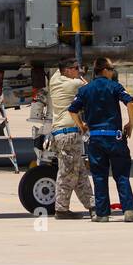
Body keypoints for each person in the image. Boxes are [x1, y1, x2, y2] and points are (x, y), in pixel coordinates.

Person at [68, 57, 133, 222]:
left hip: (95, 140)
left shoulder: (85, 90)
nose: (112, 72)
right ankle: (129, 211)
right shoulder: (114, 86)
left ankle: (102, 214)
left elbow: (72, 109)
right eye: (111, 69)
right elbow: (130, 102)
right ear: (104, 70)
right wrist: (130, 123)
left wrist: (81, 125)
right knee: (121, 175)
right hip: (114, 138)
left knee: (99, 176)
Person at [47, 59, 94, 219]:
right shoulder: (74, 85)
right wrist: (81, 76)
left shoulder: (54, 80)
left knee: (79, 172)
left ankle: (92, 205)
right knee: (67, 173)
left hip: (61, 133)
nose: (78, 71)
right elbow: (90, 88)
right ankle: (61, 209)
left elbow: (59, 69)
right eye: (75, 69)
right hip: (69, 133)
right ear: (66, 71)